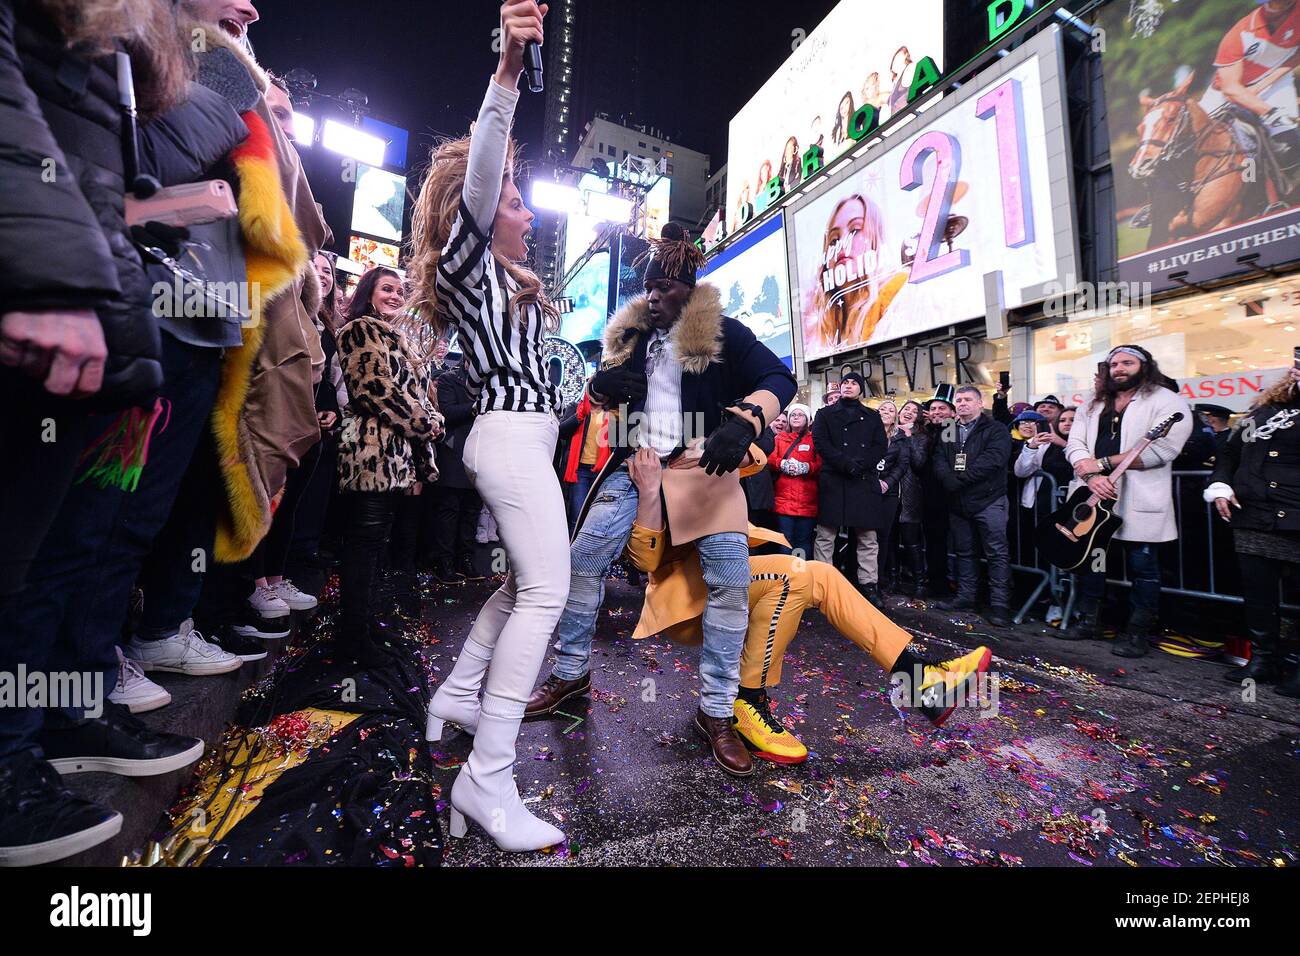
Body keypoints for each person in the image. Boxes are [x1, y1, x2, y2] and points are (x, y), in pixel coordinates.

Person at [0, 0, 225, 867]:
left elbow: (106, 151)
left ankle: (58, 719)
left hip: (104, 296)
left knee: (71, 537)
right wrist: (50, 267)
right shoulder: (189, 53)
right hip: (61, 286)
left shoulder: (135, 44)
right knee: (34, 545)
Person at [524, 224, 797, 780]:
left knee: (728, 585)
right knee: (581, 562)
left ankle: (717, 712)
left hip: (704, 468)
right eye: (648, 285)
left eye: (665, 286)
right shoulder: (634, 338)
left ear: (690, 289)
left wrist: (744, 422)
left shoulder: (724, 333)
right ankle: (571, 672)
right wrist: (605, 388)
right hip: (636, 465)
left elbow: (778, 375)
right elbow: (603, 392)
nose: (653, 295)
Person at [407, 0, 571, 852]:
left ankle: (457, 700)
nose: (525, 208)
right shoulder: (469, 262)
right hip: (508, 440)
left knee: (522, 587)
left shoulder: (511, 286)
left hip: (520, 439)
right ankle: (488, 777)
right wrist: (506, 75)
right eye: (514, 196)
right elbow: (477, 175)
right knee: (549, 591)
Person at [622, 447, 993, 765]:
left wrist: (710, 444)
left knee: (819, 573)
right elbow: (644, 562)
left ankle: (921, 679)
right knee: (793, 576)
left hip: (732, 579)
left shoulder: (707, 446)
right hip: (688, 603)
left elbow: (754, 457)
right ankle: (746, 703)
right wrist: (651, 490)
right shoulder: (644, 464)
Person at [1061, 345, 1193, 656]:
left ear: (1145, 366)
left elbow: (1162, 451)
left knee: (1143, 567)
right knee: (1091, 563)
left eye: (1127, 363)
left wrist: (1101, 464)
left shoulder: (1167, 401)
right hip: (1094, 495)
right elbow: (1075, 444)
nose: (1119, 368)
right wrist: (1090, 474)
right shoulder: (1092, 404)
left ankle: (1137, 633)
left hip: (1140, 498)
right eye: (1114, 364)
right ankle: (1088, 622)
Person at [334, 267, 442, 638]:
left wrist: (432, 415)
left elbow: (418, 394)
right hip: (370, 455)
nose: (395, 296)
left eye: (400, 291)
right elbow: (374, 389)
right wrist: (424, 423)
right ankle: (354, 635)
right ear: (368, 292)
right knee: (364, 544)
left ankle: (366, 625)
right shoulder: (359, 329)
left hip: (397, 459)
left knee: (378, 543)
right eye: (386, 289)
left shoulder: (400, 337)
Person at [1205, 367, 1300, 696]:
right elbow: (1228, 453)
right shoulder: (1262, 411)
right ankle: (1264, 659)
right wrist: (1219, 484)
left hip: (1296, 514)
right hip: (1254, 514)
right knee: (1258, 593)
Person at [931, 386, 1014, 627]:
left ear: (980, 403)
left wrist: (961, 479)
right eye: (959, 400)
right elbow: (940, 457)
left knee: (996, 552)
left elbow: (994, 459)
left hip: (989, 499)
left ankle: (1000, 604)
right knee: (964, 552)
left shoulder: (995, 428)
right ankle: (966, 597)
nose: (963, 403)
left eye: (968, 399)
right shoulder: (949, 428)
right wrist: (947, 479)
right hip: (958, 501)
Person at [811, 373, 890, 605]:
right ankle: (822, 584)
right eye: (845, 382)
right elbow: (820, 442)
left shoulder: (872, 416)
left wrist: (861, 466)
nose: (848, 386)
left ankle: (869, 584)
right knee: (826, 535)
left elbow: (880, 446)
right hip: (834, 479)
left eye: (854, 383)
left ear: (861, 390)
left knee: (867, 536)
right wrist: (845, 464)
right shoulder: (824, 414)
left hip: (862, 480)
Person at [804, 193, 907, 357]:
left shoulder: (898, 296)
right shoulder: (819, 327)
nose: (843, 242)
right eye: (833, 240)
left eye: (855, 230)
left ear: (876, 238)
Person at [426, 353, 486, 583]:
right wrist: (476, 406)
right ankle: (445, 562)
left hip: (480, 454)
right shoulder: (451, 379)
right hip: (454, 453)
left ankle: (466, 561)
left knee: (472, 512)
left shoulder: (488, 384)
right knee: (449, 512)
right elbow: (447, 414)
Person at [769, 403, 819, 560]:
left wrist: (807, 467)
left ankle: (799, 574)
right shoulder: (779, 439)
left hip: (808, 501)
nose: (796, 417)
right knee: (785, 542)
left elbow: (821, 464)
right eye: (793, 415)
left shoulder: (814, 440)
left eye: (800, 415)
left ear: (809, 420)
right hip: (783, 501)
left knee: (803, 542)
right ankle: (787, 577)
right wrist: (781, 464)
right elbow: (770, 460)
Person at [919, 389, 957, 598]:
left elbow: (945, 453)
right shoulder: (927, 430)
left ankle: (944, 584)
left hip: (947, 495)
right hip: (929, 496)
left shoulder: (950, 428)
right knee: (934, 542)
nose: (936, 412)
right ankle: (935, 582)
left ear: (952, 411)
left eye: (942, 408)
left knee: (948, 543)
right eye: (933, 408)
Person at [560, 391, 613, 533]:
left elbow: (622, 442)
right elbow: (561, 432)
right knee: (576, 517)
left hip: (602, 474)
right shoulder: (576, 408)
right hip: (580, 472)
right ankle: (571, 552)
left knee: (598, 519)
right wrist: (579, 416)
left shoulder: (615, 412)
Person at [895, 399, 930, 596]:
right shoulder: (889, 432)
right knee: (890, 538)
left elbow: (918, 463)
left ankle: (920, 582)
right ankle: (893, 579)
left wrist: (908, 437)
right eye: (906, 408)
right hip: (890, 492)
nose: (908, 412)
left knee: (911, 540)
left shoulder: (921, 437)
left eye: (914, 410)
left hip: (910, 494)